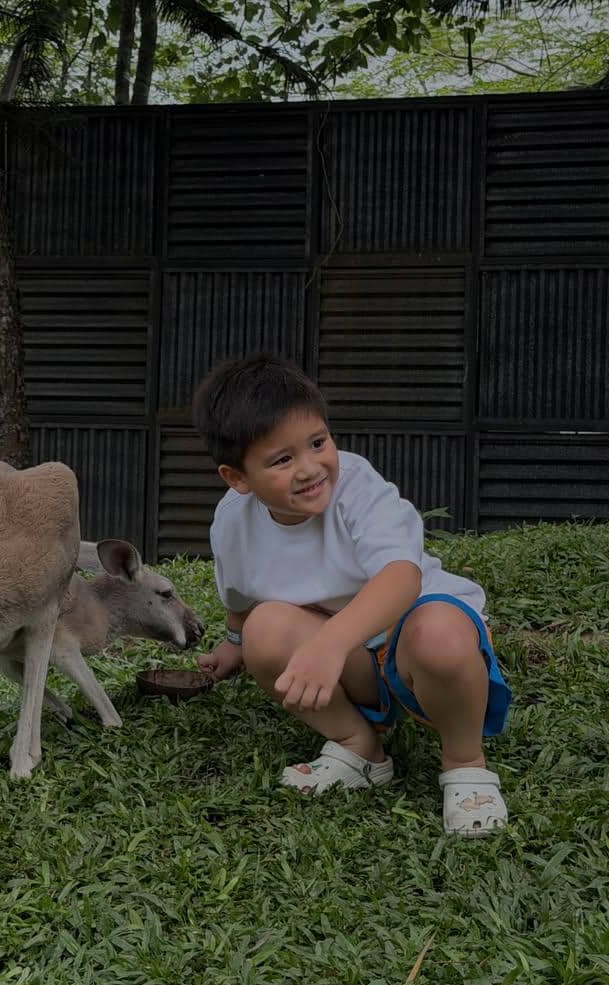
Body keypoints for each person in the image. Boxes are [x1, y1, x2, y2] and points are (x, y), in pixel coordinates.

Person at [193, 353, 512, 837]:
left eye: (318, 443)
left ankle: (465, 763)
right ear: (237, 479)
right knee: (266, 628)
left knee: (438, 633)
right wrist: (235, 646)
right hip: (356, 666)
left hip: (420, 645)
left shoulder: (358, 485)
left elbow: (402, 577)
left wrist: (329, 643)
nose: (309, 468)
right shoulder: (232, 523)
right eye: (282, 460)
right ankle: (359, 747)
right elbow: (239, 599)